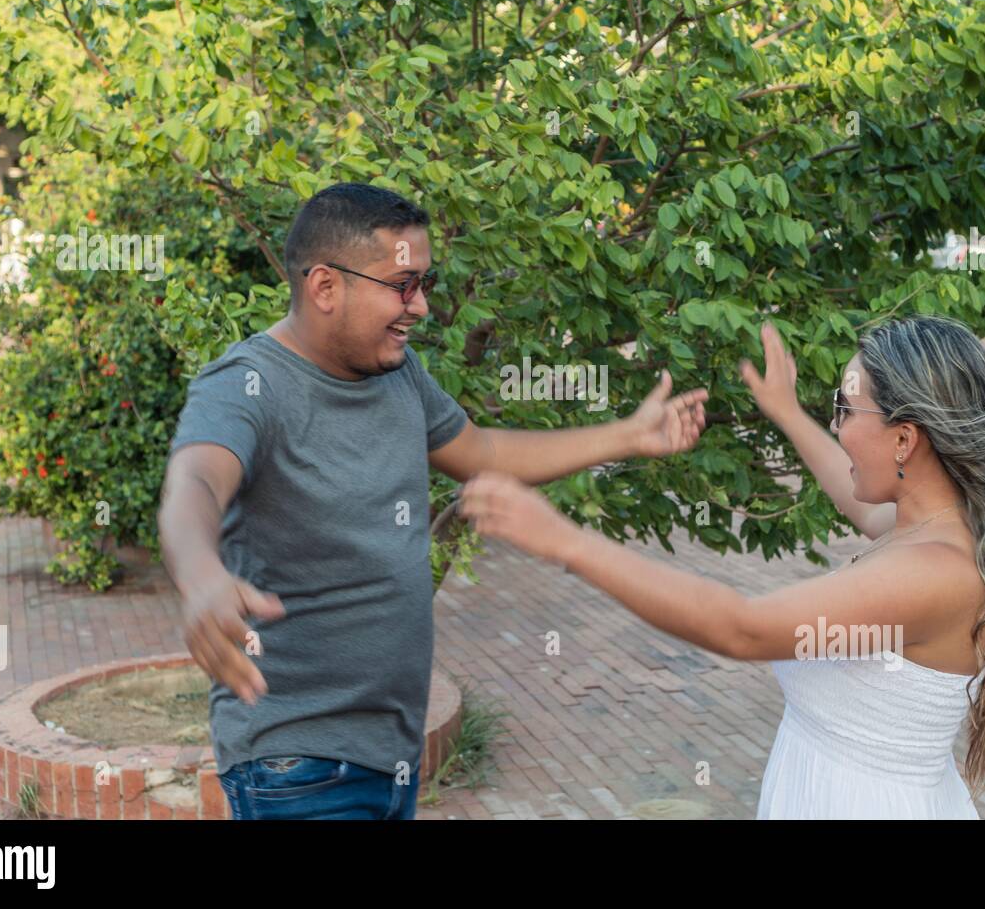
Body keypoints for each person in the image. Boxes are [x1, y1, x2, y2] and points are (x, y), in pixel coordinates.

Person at [158, 182, 708, 820]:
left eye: (425, 282)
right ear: (325, 287)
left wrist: (627, 436)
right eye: (402, 284)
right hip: (297, 766)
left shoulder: (397, 371)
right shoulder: (248, 383)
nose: (419, 306)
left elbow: (484, 456)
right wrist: (200, 575)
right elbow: (193, 482)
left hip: (388, 754)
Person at [460, 315, 985, 818]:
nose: (836, 424)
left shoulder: (933, 571)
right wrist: (785, 410)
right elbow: (850, 494)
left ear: (905, 439)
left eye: (845, 408)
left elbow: (742, 626)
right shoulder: (929, 529)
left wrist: (563, 539)